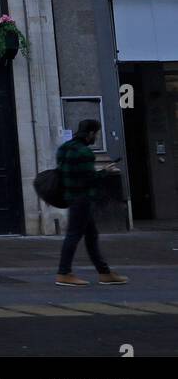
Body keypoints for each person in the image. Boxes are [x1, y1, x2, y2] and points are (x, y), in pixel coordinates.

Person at [56, 119, 128, 287]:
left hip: (70, 196)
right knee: (74, 235)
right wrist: (105, 171)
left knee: (91, 235)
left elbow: (68, 173)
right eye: (96, 133)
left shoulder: (64, 149)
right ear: (90, 133)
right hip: (82, 198)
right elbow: (89, 179)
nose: (96, 136)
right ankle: (64, 272)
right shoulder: (85, 153)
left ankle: (104, 272)